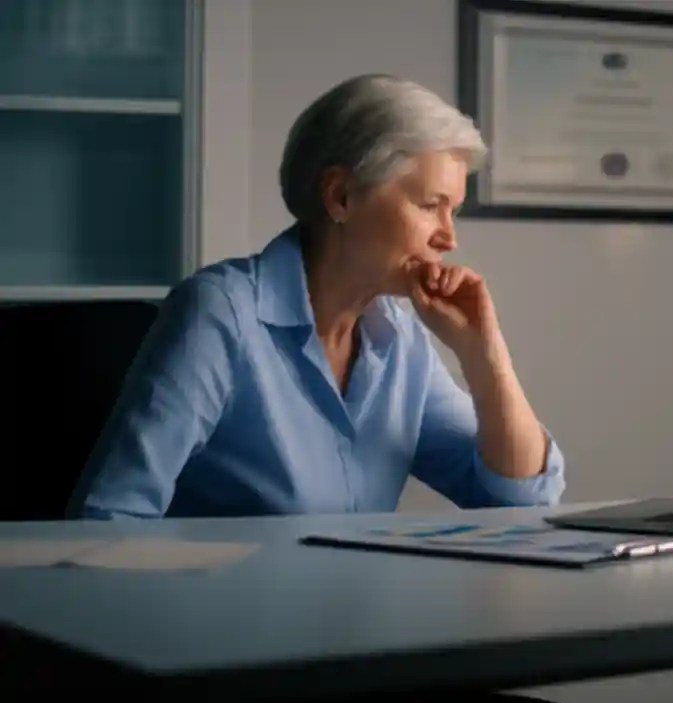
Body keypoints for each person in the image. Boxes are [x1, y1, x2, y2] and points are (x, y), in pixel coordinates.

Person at [66, 73, 566, 520]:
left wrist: (484, 354)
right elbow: (111, 517)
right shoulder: (222, 314)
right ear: (341, 197)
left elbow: (517, 500)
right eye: (430, 206)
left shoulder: (400, 340)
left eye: (452, 210)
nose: (448, 238)